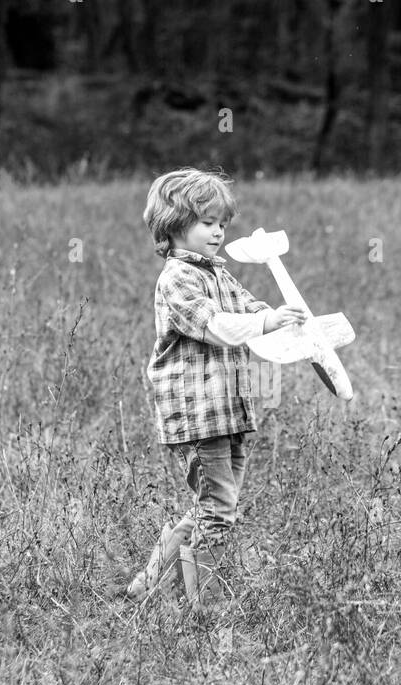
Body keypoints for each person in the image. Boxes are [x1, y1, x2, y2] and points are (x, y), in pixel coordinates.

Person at [125, 167, 306, 610]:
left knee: (211, 505)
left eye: (222, 223)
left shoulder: (219, 274)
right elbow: (217, 326)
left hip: (229, 412)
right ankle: (205, 609)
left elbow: (251, 309)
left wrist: (288, 322)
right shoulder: (178, 279)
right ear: (173, 225)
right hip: (197, 414)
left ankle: (145, 588)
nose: (218, 231)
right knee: (218, 510)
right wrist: (264, 321)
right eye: (207, 222)